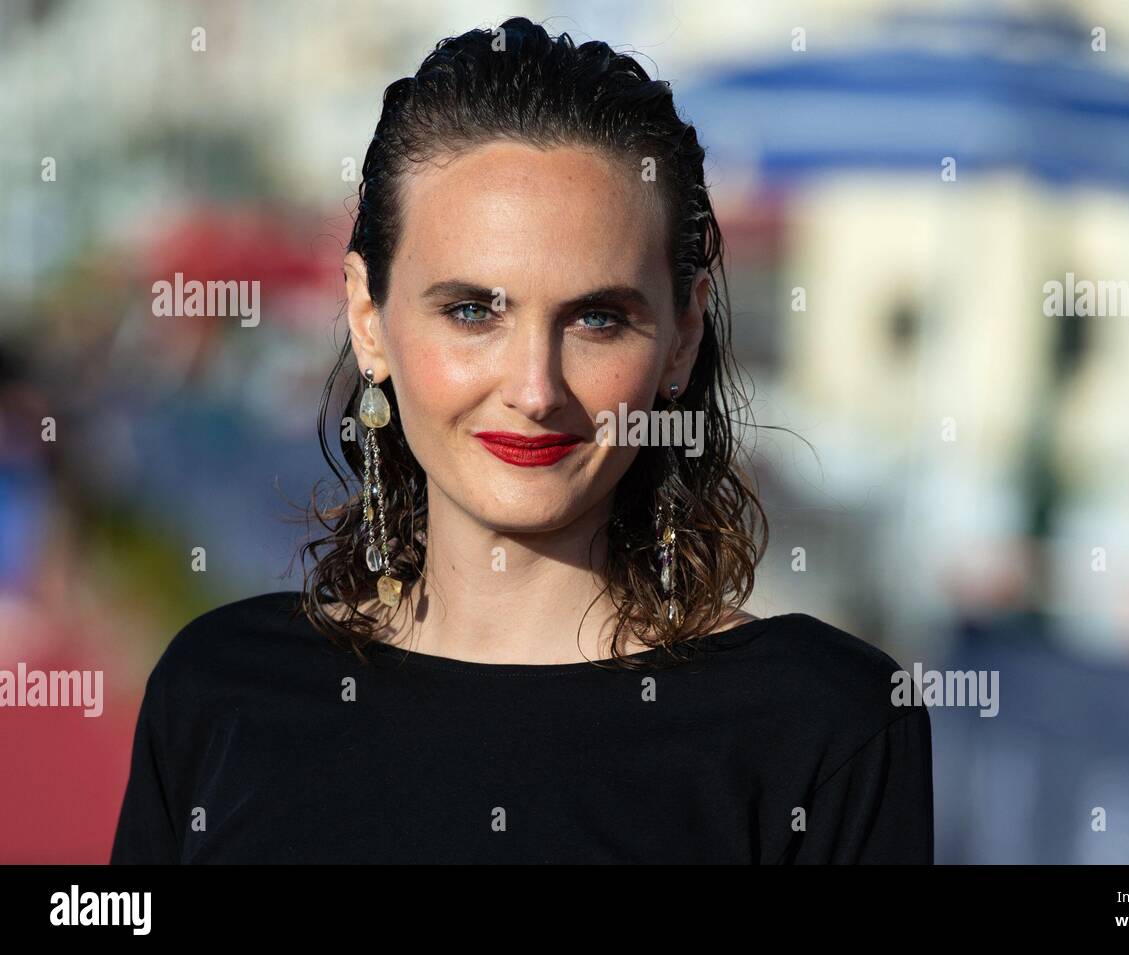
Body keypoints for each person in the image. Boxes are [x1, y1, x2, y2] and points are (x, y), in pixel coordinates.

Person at [109, 16, 932, 864]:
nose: (536, 390)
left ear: (681, 340)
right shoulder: (218, 689)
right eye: (472, 311)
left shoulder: (824, 723)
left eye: (598, 318)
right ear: (368, 319)